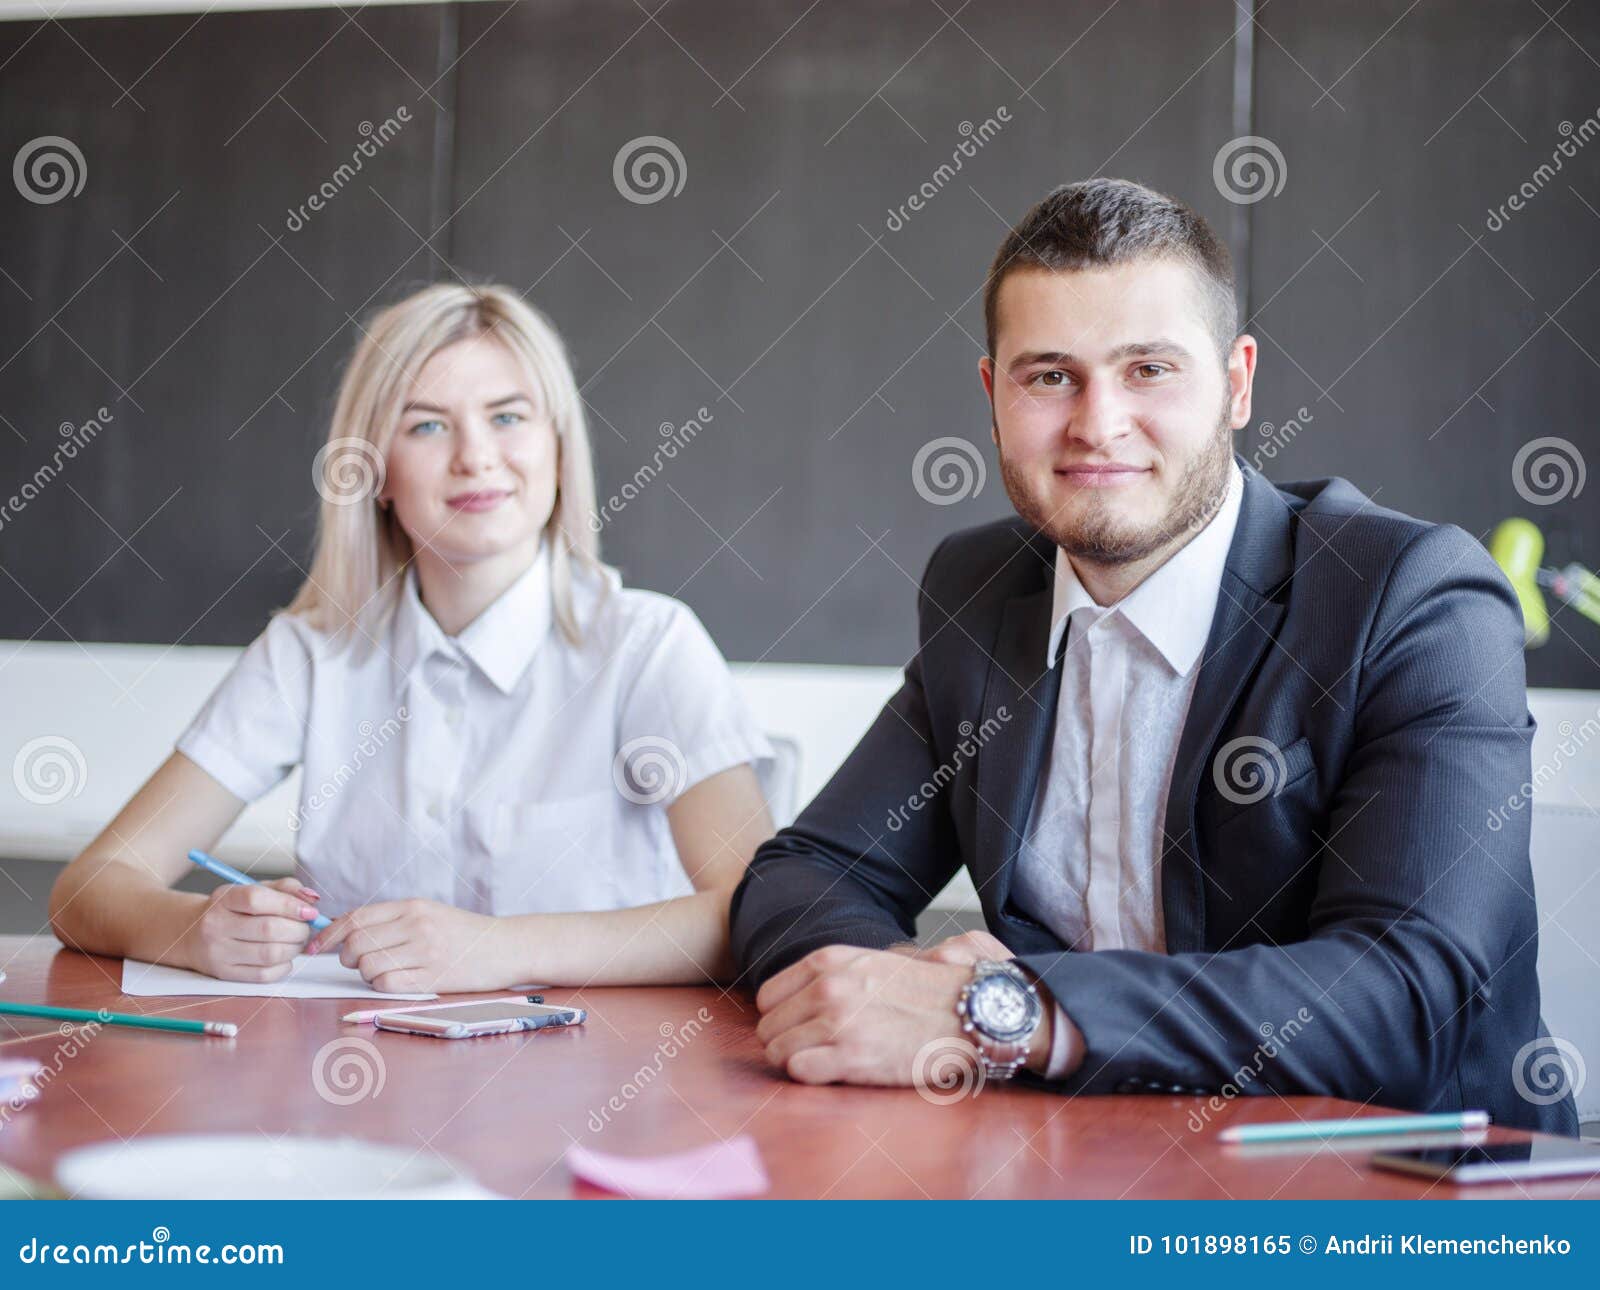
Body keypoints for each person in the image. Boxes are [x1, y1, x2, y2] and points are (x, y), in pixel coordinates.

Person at [730, 177, 1575, 1135]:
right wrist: (891, 996)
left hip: (1397, 1199)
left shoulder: (1410, 595)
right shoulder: (979, 589)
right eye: (1050, 374)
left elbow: (1415, 995)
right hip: (1088, 1164)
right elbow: (807, 876)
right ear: (993, 396)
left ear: (1239, 383)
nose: (1097, 423)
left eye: (1149, 370)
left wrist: (1010, 1015)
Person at [50, 283, 774, 993]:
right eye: (426, 425)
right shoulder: (310, 653)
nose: (476, 456)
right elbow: (89, 887)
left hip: (591, 1086)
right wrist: (193, 927)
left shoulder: (648, 646)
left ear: (558, 445)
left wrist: (498, 949)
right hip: (354, 1080)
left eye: (508, 417)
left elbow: (754, 912)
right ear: (375, 474)